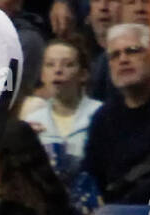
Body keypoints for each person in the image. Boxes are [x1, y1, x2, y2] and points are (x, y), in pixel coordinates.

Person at [84, 23, 150, 209]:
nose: (123, 60)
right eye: (115, 55)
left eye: (132, 51)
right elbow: (92, 171)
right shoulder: (103, 117)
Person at [19, 39, 103, 191]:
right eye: (50, 64)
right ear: (43, 75)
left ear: (83, 74)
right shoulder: (31, 121)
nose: (58, 70)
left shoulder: (101, 114)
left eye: (68, 64)